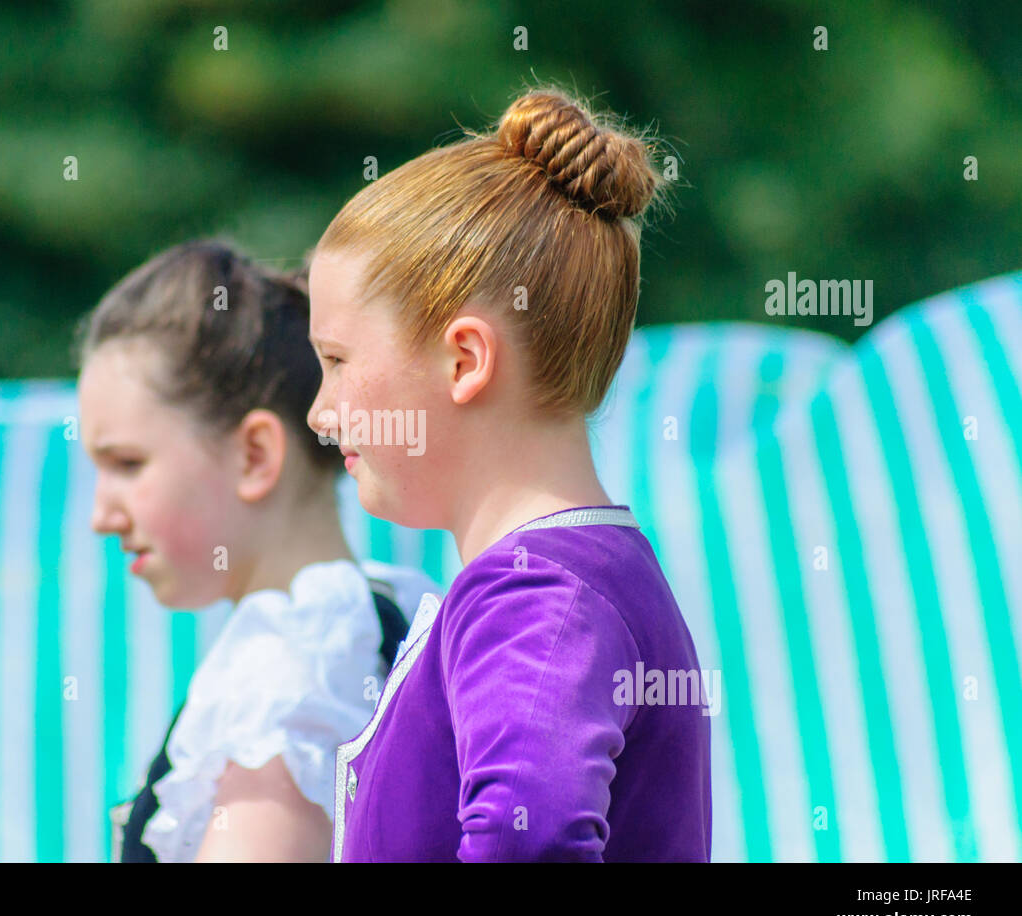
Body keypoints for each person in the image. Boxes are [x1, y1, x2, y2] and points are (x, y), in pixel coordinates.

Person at [305, 87, 712, 861]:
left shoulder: (534, 592)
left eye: (337, 362)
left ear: (464, 360)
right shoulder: (584, 574)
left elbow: (534, 832)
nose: (321, 412)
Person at [76, 238, 439, 862]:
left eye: (129, 464)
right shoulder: (389, 616)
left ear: (255, 455)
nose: (100, 517)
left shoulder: (283, 684)